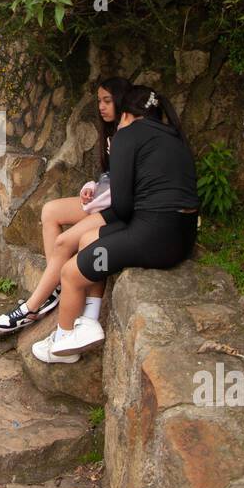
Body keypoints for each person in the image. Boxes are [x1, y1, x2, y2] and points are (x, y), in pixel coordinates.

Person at [34, 85, 199, 363]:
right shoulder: (173, 136)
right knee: (90, 241)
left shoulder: (126, 137)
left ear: (125, 115)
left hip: (155, 237)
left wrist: (118, 149)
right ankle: (86, 321)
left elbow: (122, 206)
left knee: (71, 273)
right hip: (183, 236)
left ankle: (63, 344)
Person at [0, 77, 131, 334]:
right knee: (50, 211)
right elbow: (109, 176)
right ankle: (54, 288)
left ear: (123, 100)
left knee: (64, 241)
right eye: (99, 101)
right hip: (103, 200)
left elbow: (128, 185)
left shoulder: (130, 134)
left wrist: (101, 194)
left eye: (107, 101)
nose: (101, 106)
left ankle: (32, 306)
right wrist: (91, 186)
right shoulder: (112, 132)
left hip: (118, 208)